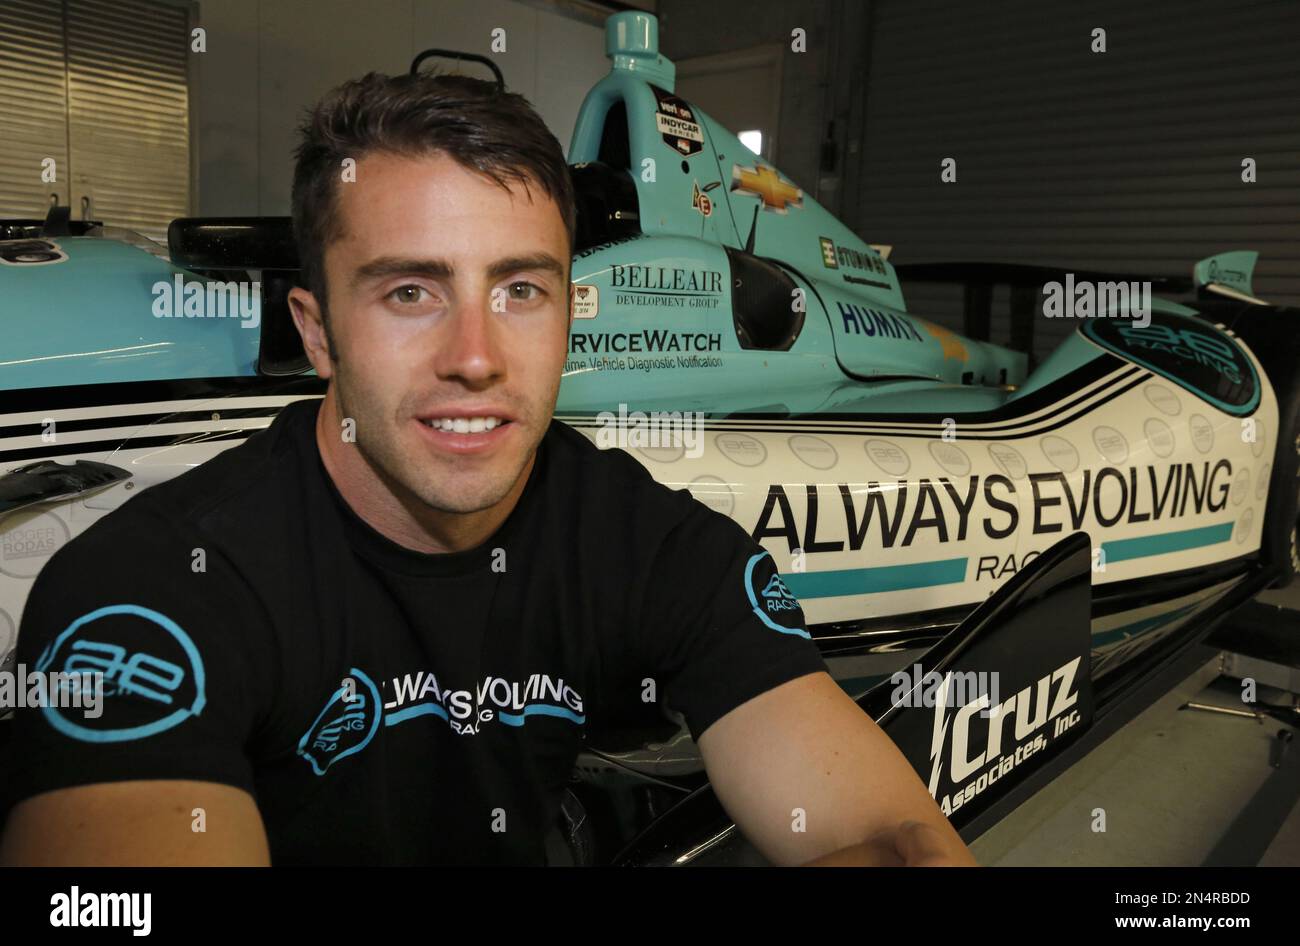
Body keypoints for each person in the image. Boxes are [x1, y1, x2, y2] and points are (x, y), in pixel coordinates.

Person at [0, 71, 975, 866]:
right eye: (411, 290)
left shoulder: (646, 542)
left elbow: (890, 840)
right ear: (318, 332)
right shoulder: (146, 595)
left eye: (519, 289)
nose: (476, 353)